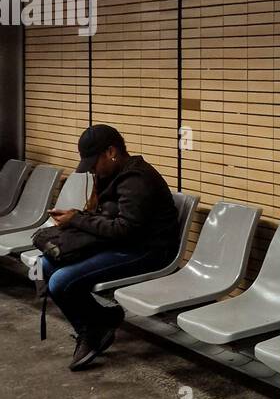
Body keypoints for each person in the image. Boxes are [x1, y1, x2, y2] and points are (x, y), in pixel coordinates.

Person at [43, 124, 180, 372]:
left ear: (111, 152)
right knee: (47, 262)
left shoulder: (137, 179)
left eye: (94, 163)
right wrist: (77, 216)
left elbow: (124, 228)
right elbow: (107, 219)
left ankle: (94, 328)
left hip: (149, 251)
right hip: (121, 244)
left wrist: (76, 219)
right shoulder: (111, 174)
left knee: (60, 281)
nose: (92, 170)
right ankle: (99, 321)